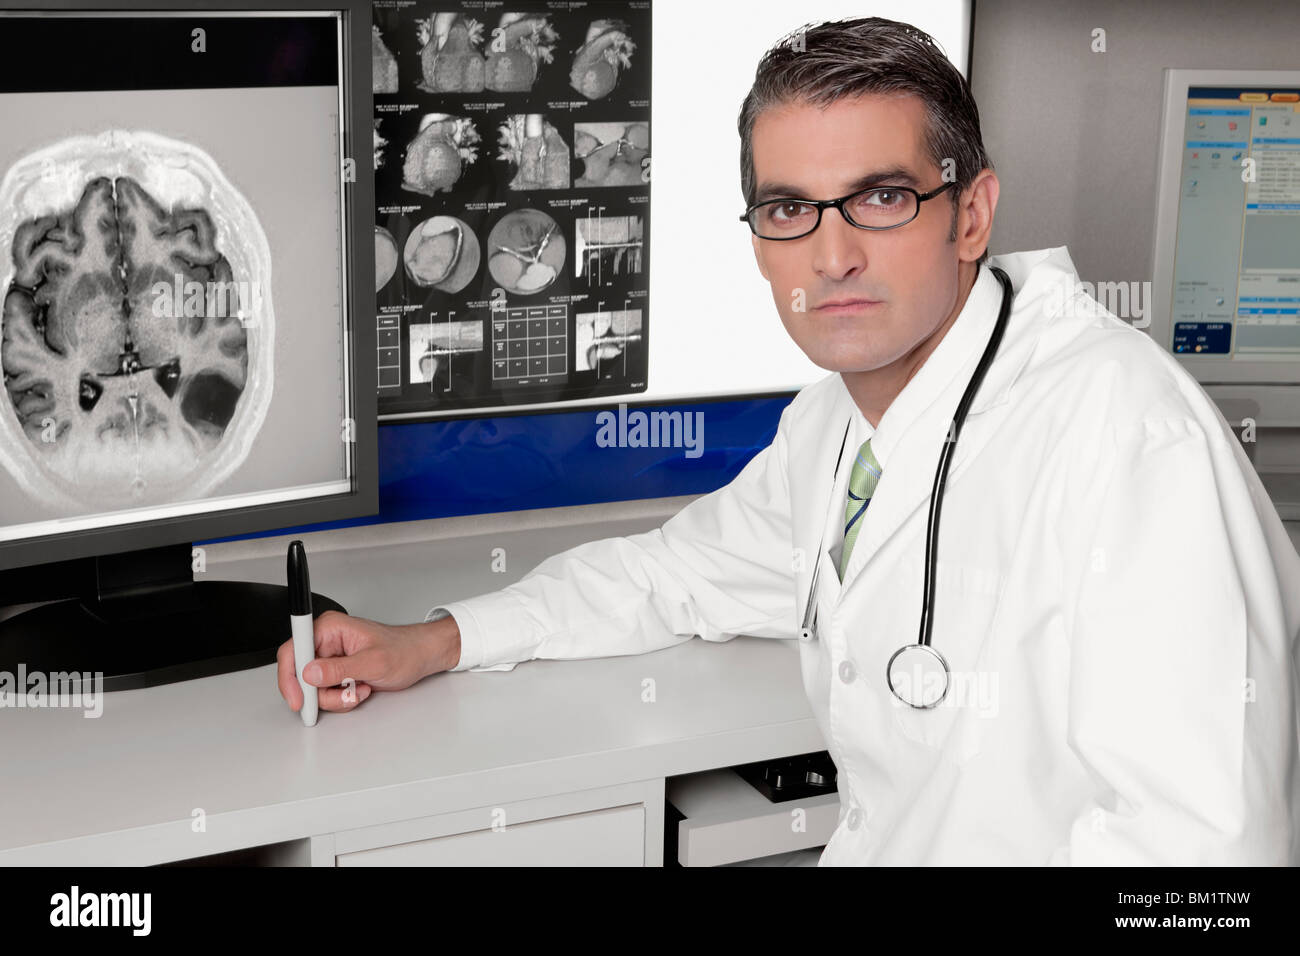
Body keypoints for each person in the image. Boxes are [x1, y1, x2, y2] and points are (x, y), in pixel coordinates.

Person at [278, 16, 1300, 864]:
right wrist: (435, 639)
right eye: (788, 208)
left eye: (882, 196)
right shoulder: (834, 424)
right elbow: (666, 575)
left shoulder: (1132, 444)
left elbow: (1207, 872)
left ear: (972, 214)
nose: (833, 252)